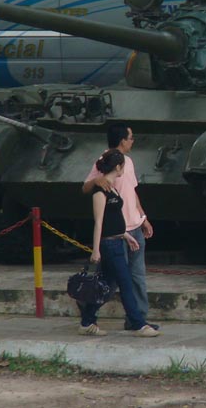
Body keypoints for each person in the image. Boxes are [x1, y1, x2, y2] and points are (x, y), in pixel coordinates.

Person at [82, 124, 159, 332]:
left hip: (132, 227)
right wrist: (97, 179)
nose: (133, 141)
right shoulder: (105, 162)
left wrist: (143, 218)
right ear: (122, 140)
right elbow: (86, 187)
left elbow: (132, 193)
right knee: (113, 280)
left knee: (136, 276)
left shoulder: (129, 162)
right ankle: (92, 318)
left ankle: (137, 318)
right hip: (115, 233)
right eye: (131, 137)